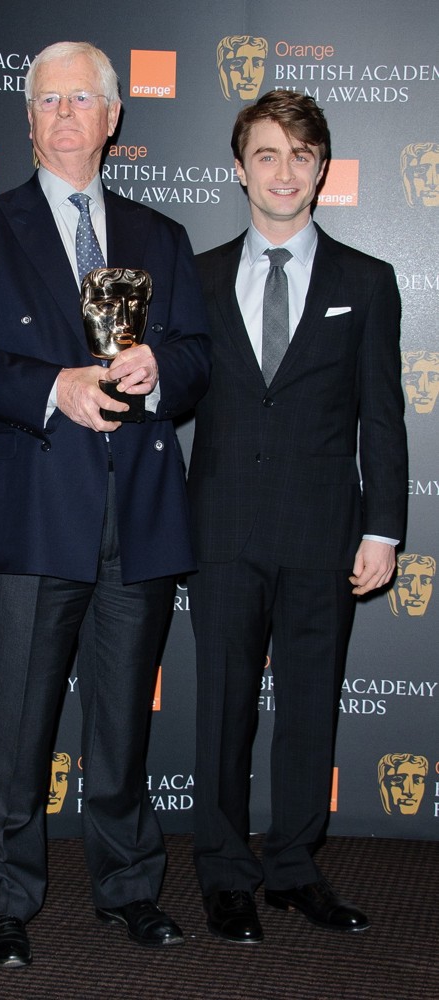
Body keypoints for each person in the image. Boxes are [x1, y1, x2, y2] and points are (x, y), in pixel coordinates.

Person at [0, 40, 210, 968]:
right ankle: (0, 900)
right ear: (26, 119)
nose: (63, 116)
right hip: (28, 513)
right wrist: (52, 385)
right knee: (10, 728)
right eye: (46, 101)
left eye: (81, 100)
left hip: (134, 513)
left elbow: (198, 357)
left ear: (113, 117)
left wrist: (158, 369)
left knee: (122, 724)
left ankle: (130, 888)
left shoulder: (159, 238)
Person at [188, 89, 407, 944]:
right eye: (267, 155)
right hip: (219, 529)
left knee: (311, 705)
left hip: (323, 531)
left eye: (301, 155)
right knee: (221, 711)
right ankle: (222, 874)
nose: (284, 172)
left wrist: (382, 528)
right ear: (239, 168)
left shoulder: (367, 279)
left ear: (322, 170)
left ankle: (292, 867)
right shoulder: (194, 275)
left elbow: (382, 418)